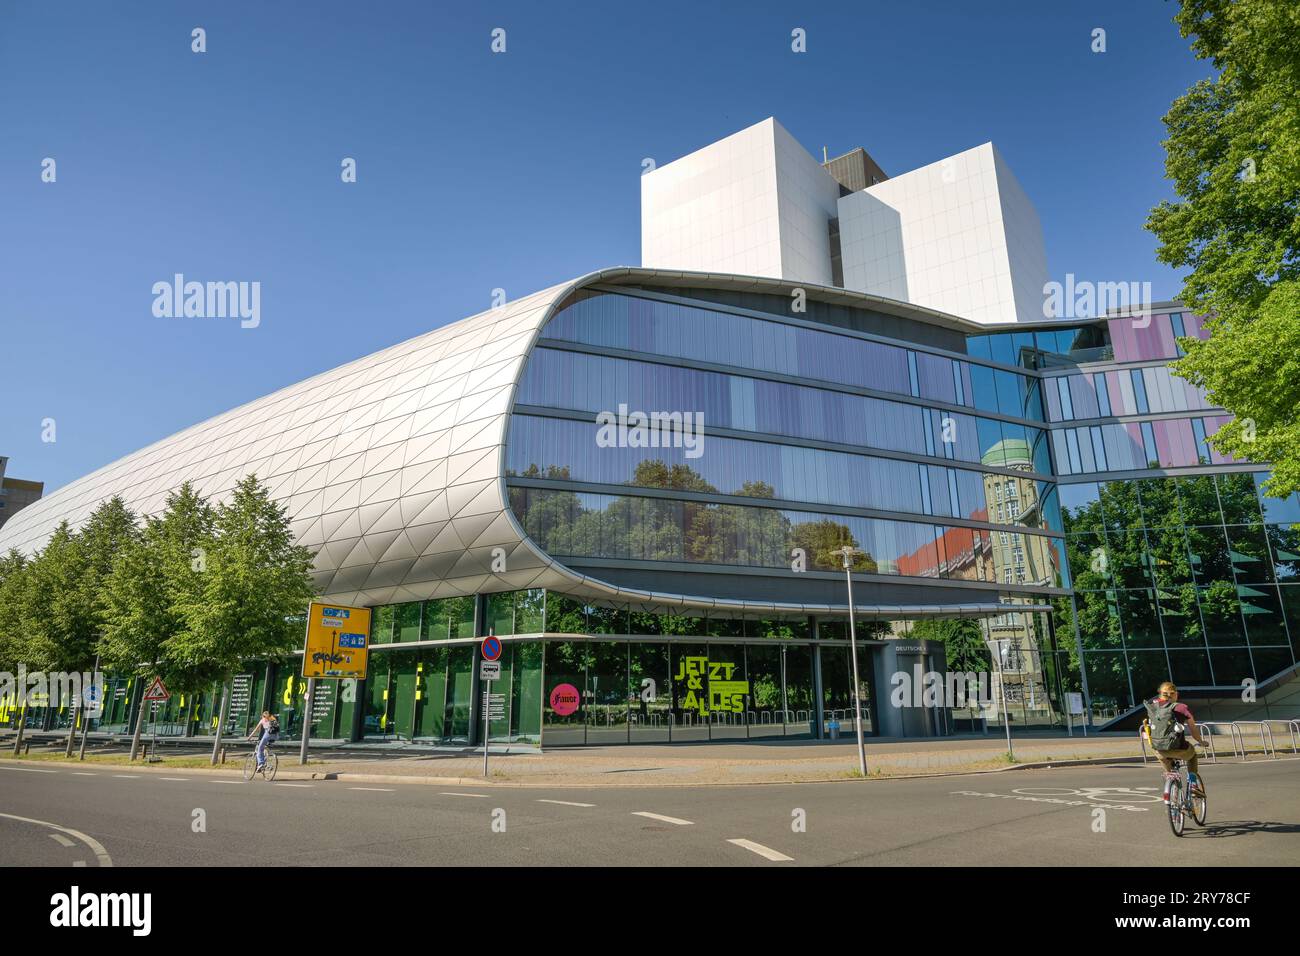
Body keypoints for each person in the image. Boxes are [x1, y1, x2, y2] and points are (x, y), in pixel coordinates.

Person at [1143, 681, 1206, 802]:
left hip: (1159, 749)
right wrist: (1202, 742)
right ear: (1176, 694)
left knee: (1164, 759)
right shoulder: (1181, 707)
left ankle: (1170, 779)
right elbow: (1193, 731)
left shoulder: (1152, 706)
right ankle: (1193, 785)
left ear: (1160, 694)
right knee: (1192, 756)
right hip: (1179, 749)